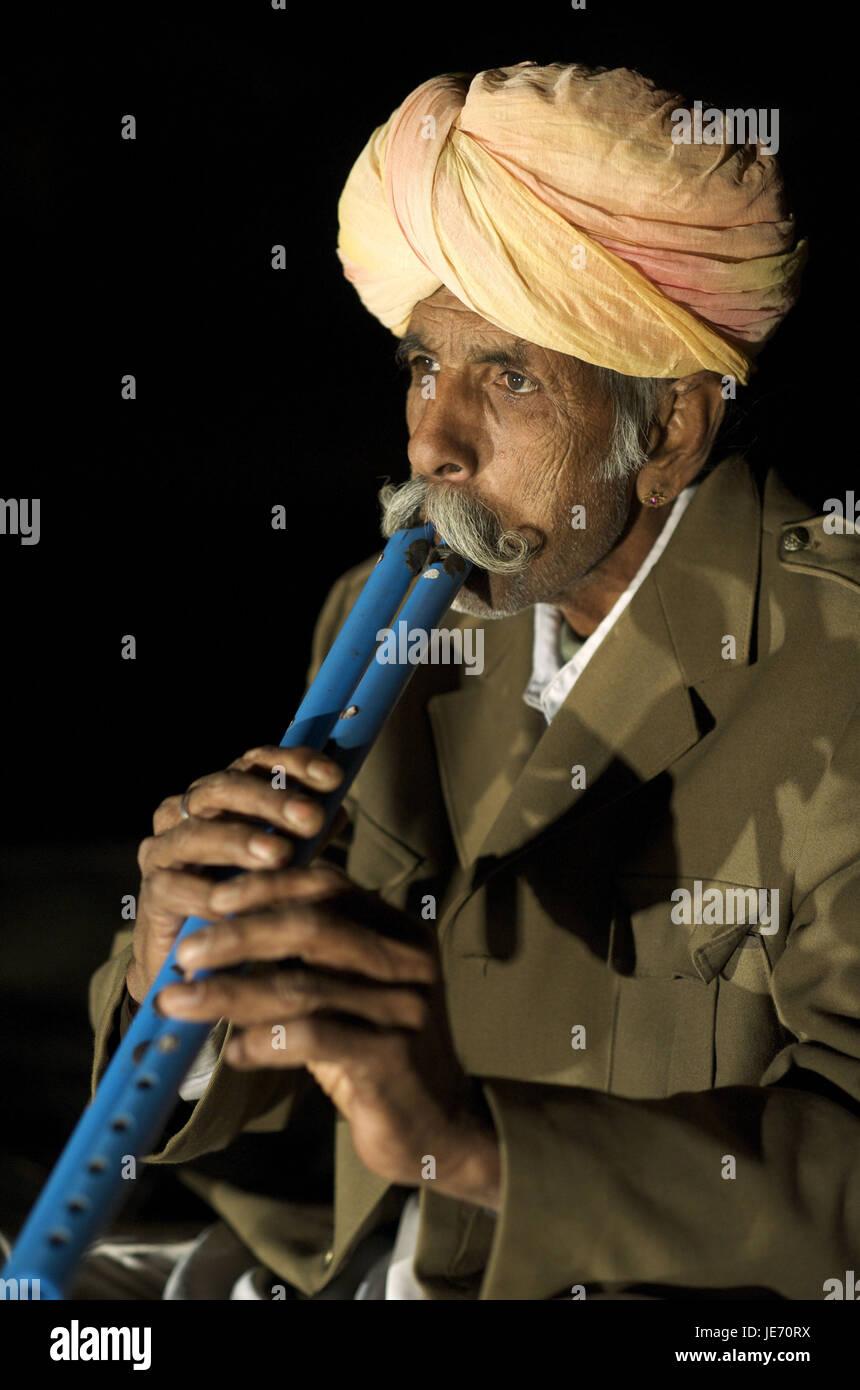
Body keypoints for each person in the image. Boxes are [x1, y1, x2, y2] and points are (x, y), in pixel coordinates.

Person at [79, 61, 858, 1300]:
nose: (428, 441)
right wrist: (185, 982)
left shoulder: (838, 678)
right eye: (417, 366)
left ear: (666, 433)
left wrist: (476, 1141)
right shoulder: (388, 621)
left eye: (506, 377)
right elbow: (290, 1063)